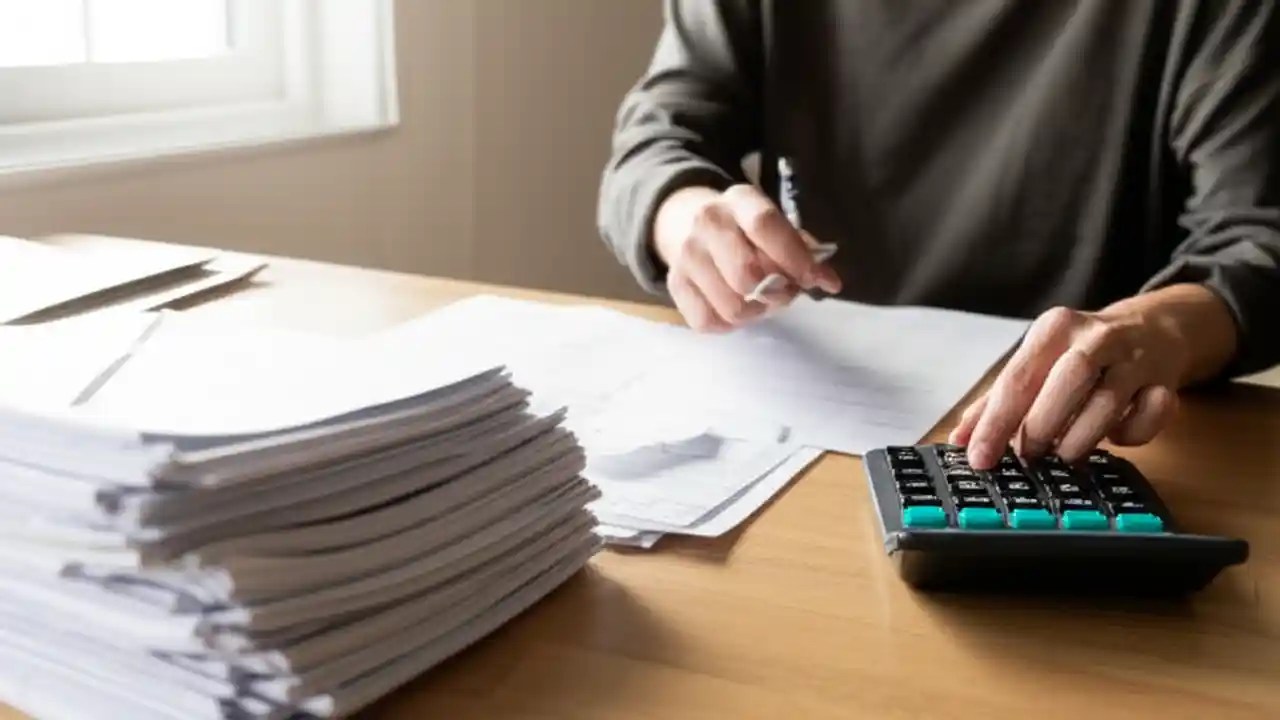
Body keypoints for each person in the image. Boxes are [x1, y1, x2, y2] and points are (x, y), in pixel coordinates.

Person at [596, 0, 1280, 470]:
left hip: (1075, 447)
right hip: (806, 431)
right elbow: (656, 140)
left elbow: (1260, 240)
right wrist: (683, 214)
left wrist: (1160, 330)